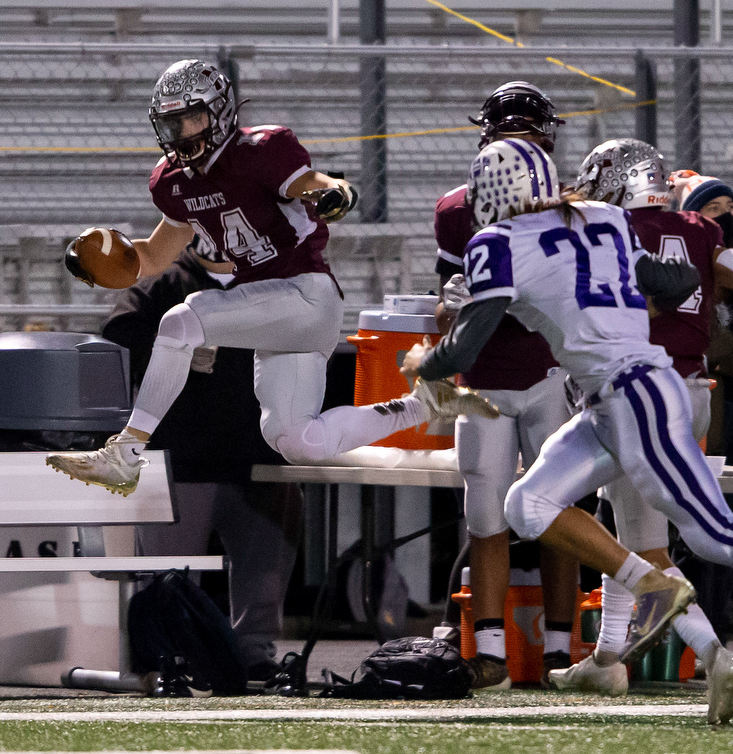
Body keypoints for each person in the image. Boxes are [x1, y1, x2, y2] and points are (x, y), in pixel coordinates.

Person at [402, 137, 733, 723]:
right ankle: (651, 589)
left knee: (713, 536)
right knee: (528, 503)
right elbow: (674, 283)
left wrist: (422, 363)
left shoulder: (500, 241)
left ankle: (650, 592)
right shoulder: (604, 218)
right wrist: (622, 307)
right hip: (609, 398)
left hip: (638, 393)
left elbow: (467, 343)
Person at [47, 59, 497, 494]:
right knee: (297, 440)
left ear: (218, 112)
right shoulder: (175, 183)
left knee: (181, 322)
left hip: (306, 295)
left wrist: (334, 192)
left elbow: (315, 181)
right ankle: (426, 402)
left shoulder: (260, 150)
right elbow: (153, 257)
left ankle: (125, 454)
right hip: (271, 311)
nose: (180, 134)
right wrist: (106, 264)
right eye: (171, 125)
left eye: (190, 119)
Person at [547, 139, 733, 721]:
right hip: (694, 393)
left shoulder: (607, 231)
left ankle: (713, 655)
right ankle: (607, 659)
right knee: (629, 527)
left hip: (641, 392)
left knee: (652, 546)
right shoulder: (698, 227)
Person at [432, 81, 579, 690]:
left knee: (558, 513)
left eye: (529, 136)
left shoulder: (572, 209)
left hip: (549, 371)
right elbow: (445, 307)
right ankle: (488, 650)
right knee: (486, 512)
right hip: (485, 378)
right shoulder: (456, 211)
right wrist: (458, 304)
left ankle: (561, 650)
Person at [100, 238, 301, 681]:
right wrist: (177, 349)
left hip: (260, 452)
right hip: (184, 454)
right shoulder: (165, 284)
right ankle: (170, 656)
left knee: (265, 565)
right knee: (168, 574)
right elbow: (118, 335)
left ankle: (253, 652)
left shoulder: (273, 281)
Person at [673, 172, 733, 646]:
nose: (726, 215)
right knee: (692, 511)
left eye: (731, 205)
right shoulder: (686, 273)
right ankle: (685, 627)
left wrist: (732, 347)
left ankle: (719, 615)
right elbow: (705, 342)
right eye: (714, 209)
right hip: (701, 402)